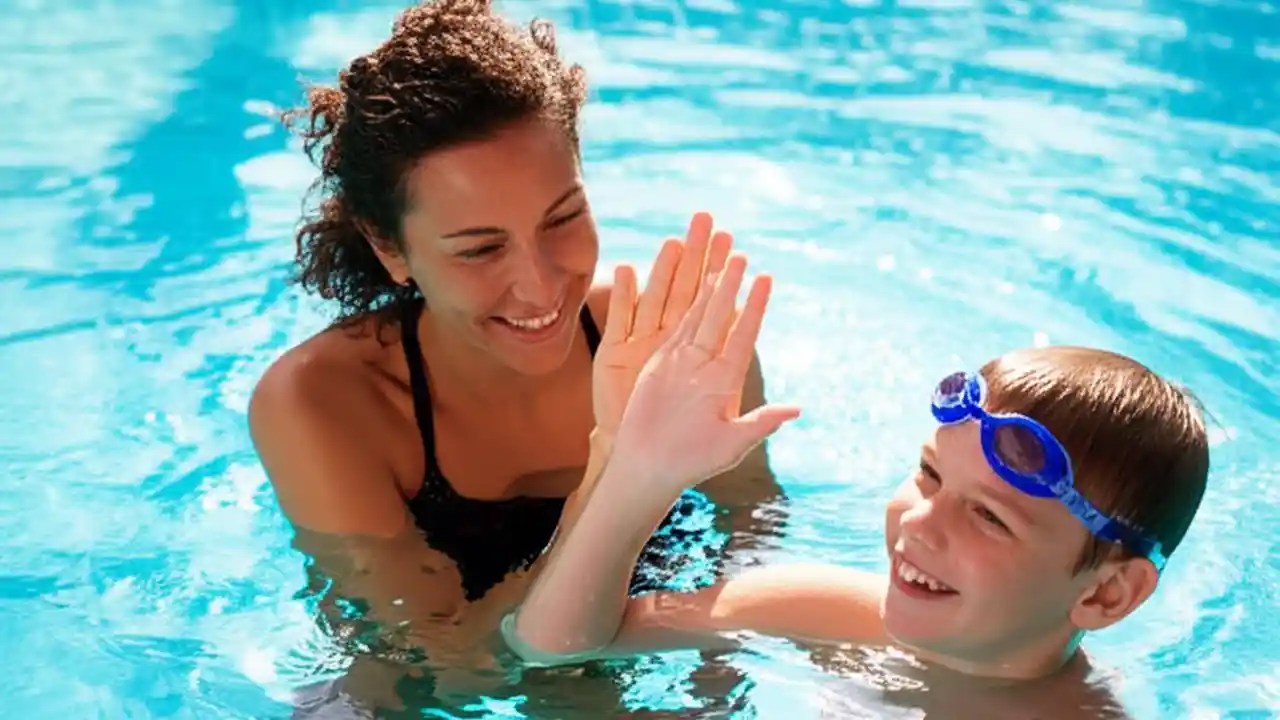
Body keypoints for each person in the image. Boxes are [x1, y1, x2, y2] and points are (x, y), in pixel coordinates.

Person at [248, 0, 782, 677]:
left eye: (563, 218)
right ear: (390, 248)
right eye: (480, 250)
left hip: (647, 622)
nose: (539, 287)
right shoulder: (323, 404)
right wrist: (619, 467)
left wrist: (718, 680)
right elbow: (441, 662)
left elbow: (750, 530)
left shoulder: (677, 344)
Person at [503, 257, 1210, 717]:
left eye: (990, 518)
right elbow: (553, 646)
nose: (920, 525)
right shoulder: (829, 611)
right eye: (929, 475)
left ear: (1105, 594)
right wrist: (634, 472)